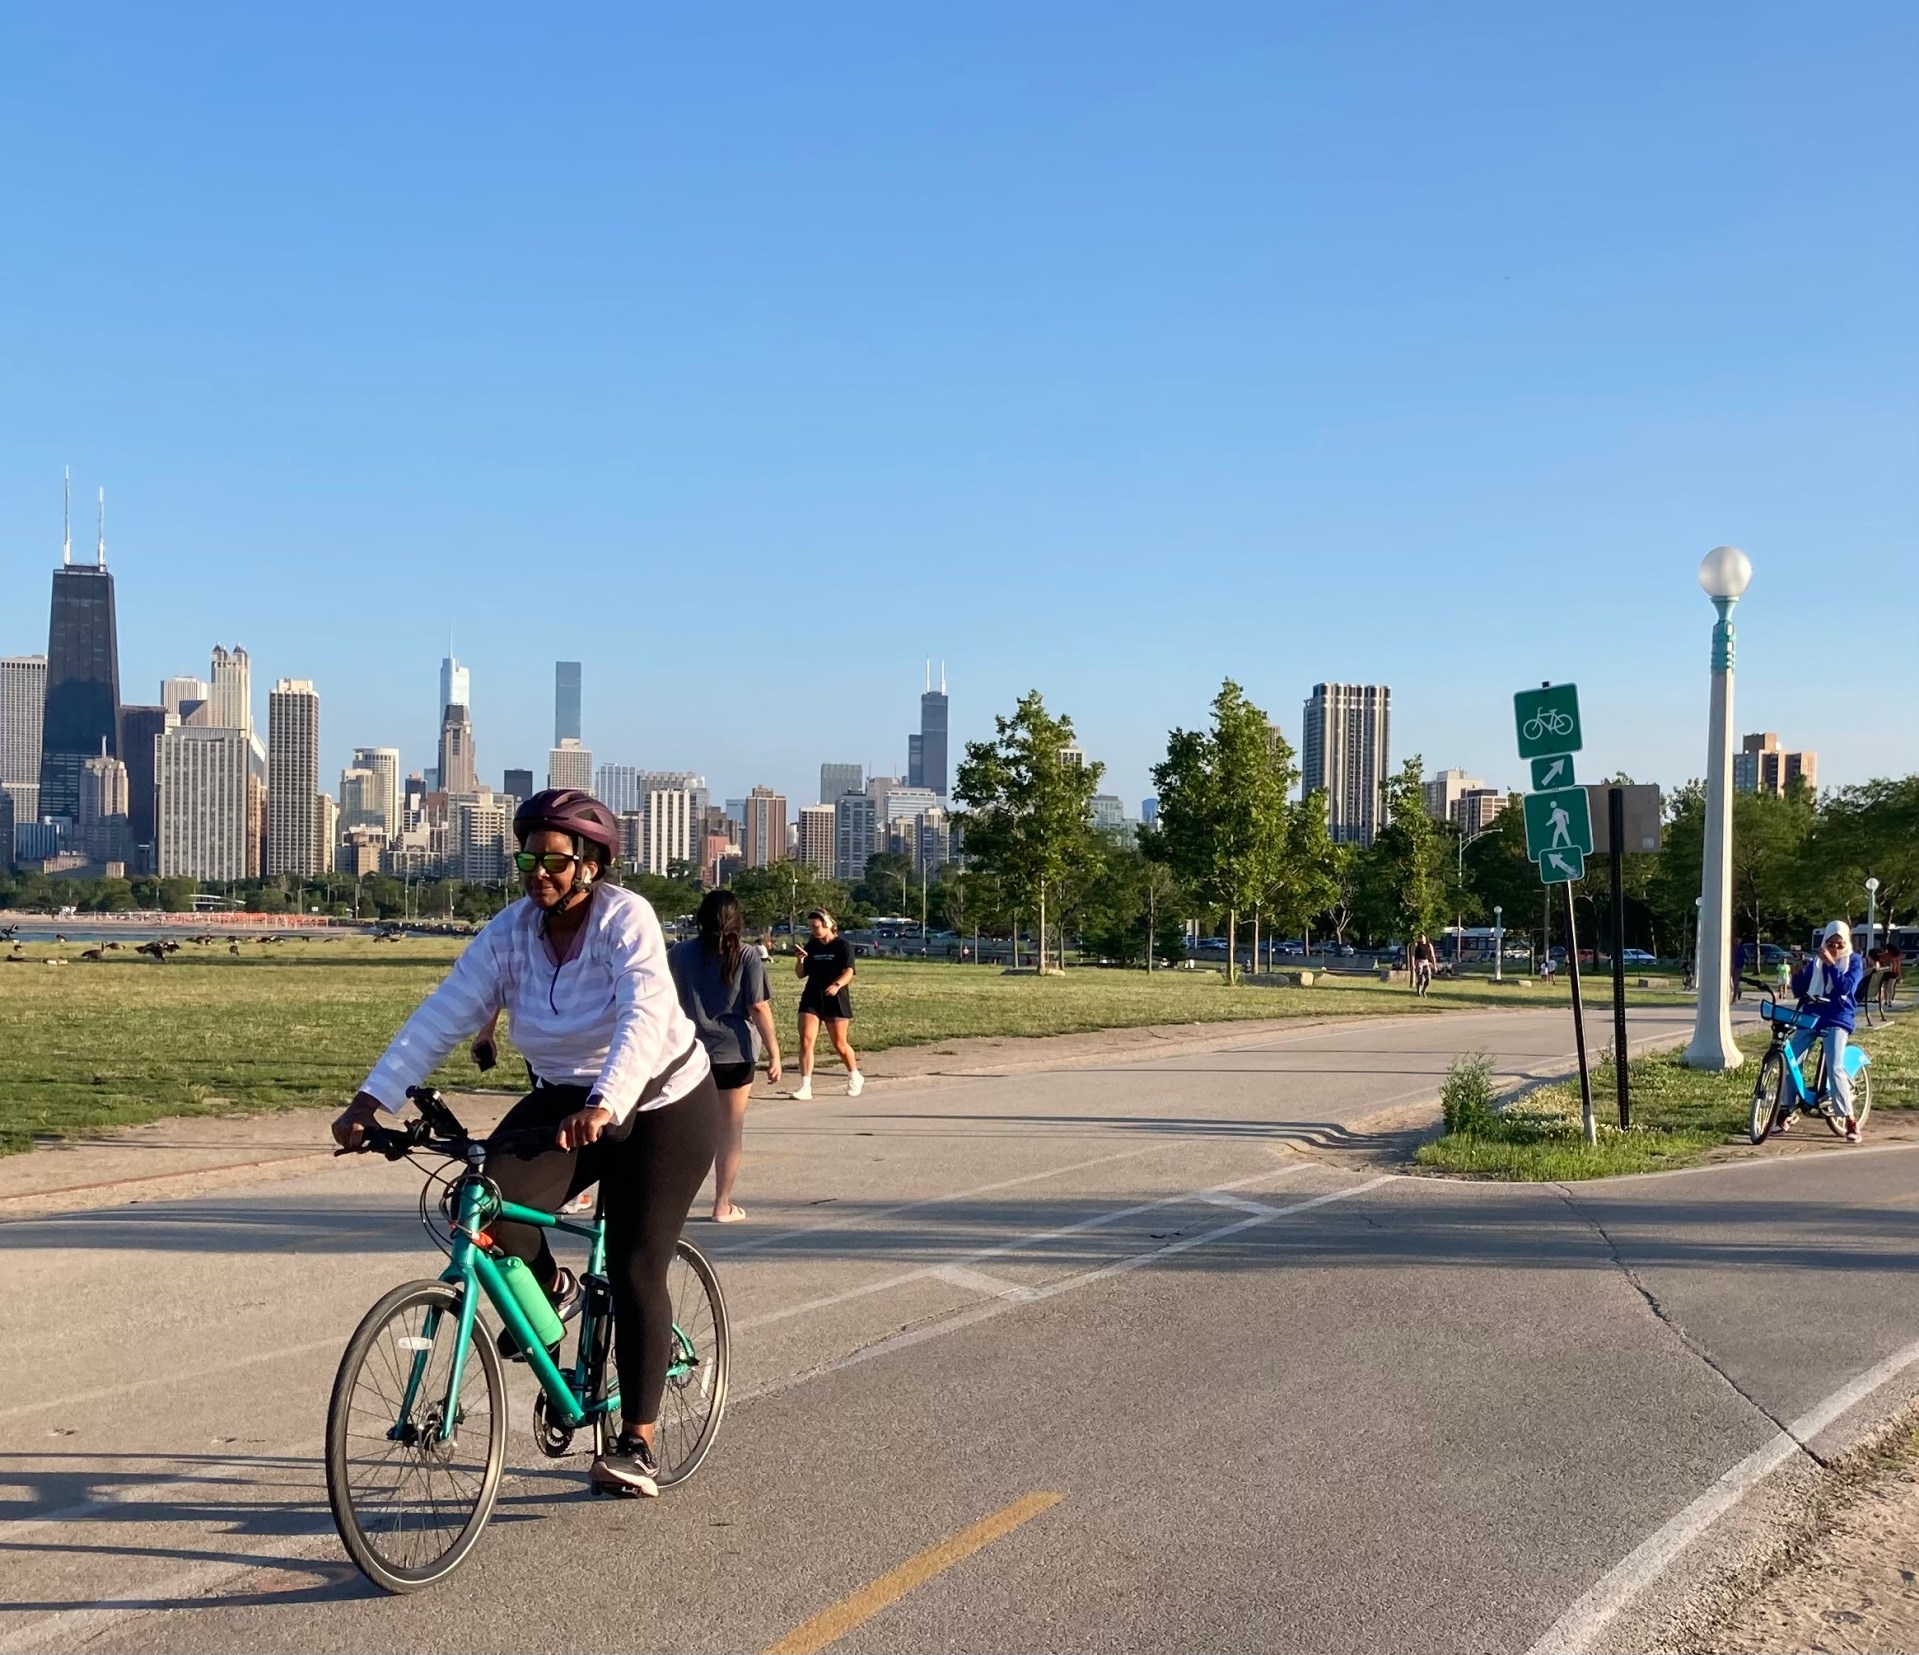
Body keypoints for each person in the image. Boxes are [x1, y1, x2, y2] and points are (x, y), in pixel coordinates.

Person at [332, 788, 718, 1498]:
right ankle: (549, 1293)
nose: (538, 872)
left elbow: (641, 1015)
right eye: (527, 858)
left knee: (636, 1264)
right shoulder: (510, 932)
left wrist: (607, 1102)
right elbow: (443, 1013)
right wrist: (369, 1099)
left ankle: (636, 1439)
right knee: (482, 1202)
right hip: (568, 1096)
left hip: (663, 1099)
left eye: (554, 859)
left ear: (592, 864)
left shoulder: (625, 920)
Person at [669, 890, 781, 1223]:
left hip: (689, 1052)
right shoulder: (747, 956)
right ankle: (722, 1203)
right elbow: (758, 1007)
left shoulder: (678, 953)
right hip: (735, 1052)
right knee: (730, 1129)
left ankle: (672, 1203)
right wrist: (775, 1052)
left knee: (683, 1129)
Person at [1787, 920, 1865, 1144]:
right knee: (1791, 1057)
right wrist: (1797, 975)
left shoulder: (1854, 961)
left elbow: (1846, 988)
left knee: (1835, 1064)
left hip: (1837, 1017)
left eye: (1839, 944)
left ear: (1846, 943)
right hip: (1812, 1016)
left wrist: (1831, 964)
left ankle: (1850, 1119)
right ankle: (1786, 1109)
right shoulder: (1816, 964)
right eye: (1830, 944)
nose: (1835, 948)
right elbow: (1801, 991)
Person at [792, 908, 861, 1100]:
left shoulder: (843, 946)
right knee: (806, 1040)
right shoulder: (812, 946)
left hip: (835, 998)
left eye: (816, 926)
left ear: (827, 924)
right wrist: (800, 960)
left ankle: (854, 1074)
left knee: (839, 1044)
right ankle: (805, 1086)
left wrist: (837, 985)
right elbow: (800, 974)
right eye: (810, 927)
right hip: (812, 997)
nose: (813, 930)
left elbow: (849, 971)